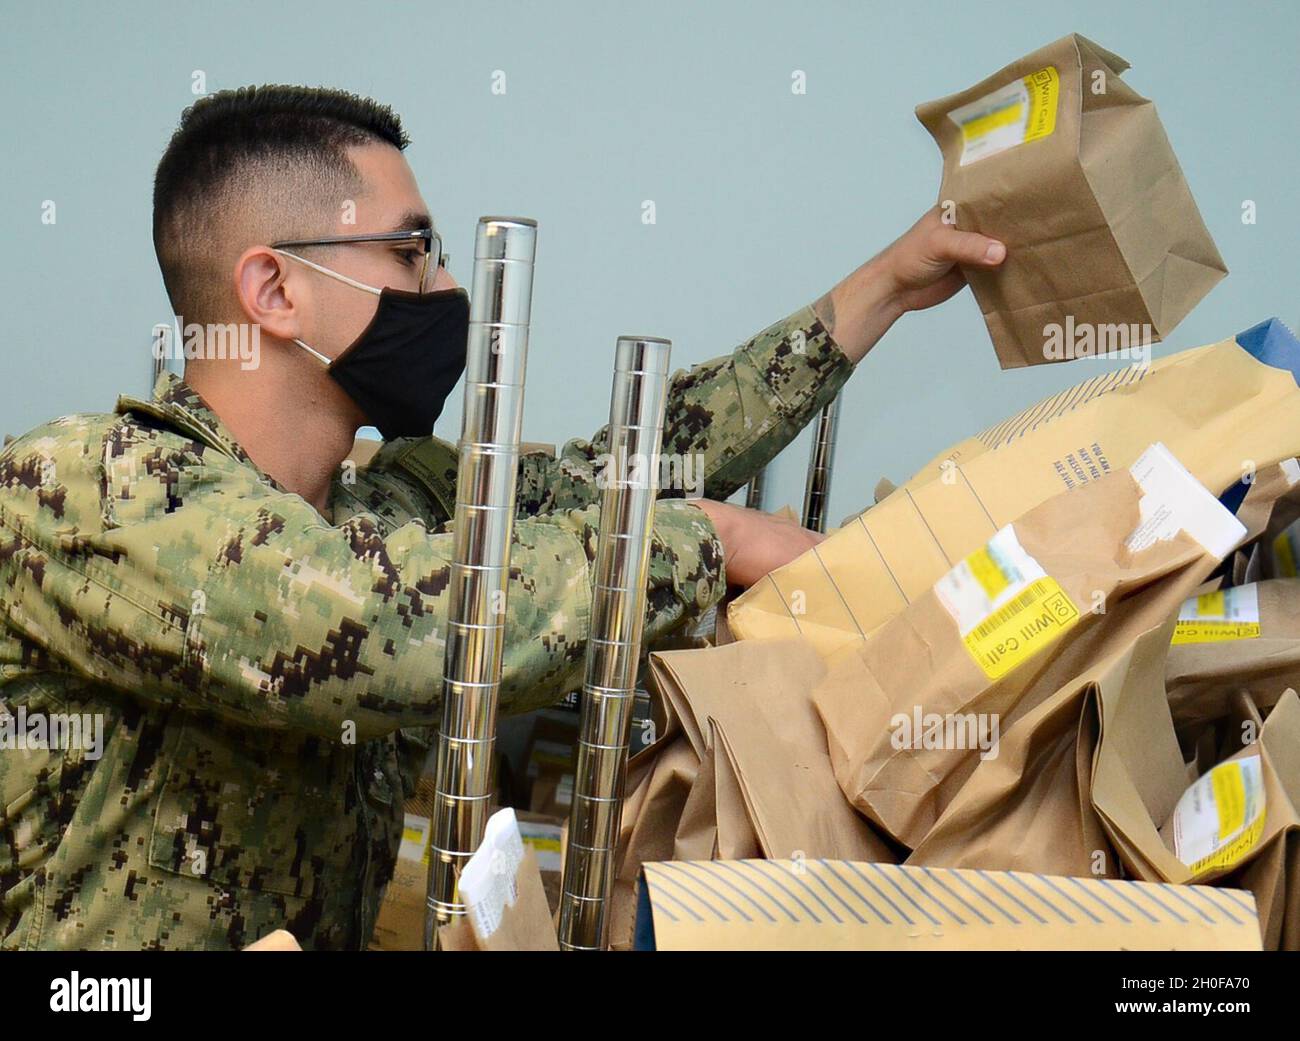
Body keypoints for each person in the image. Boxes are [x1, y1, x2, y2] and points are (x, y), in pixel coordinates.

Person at [0, 85, 1005, 950]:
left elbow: (638, 464)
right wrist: (713, 542)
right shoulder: (87, 492)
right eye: (410, 252)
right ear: (273, 288)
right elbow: (395, 635)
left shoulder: (383, 503)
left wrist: (882, 290)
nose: (444, 293)